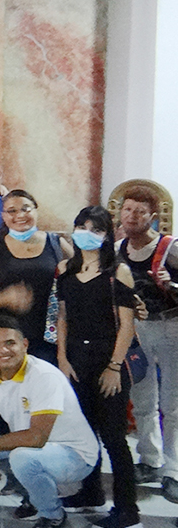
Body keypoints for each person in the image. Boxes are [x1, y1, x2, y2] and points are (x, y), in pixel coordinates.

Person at [0, 316, 99, 528]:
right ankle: (33, 493)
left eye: (10, 343)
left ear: (24, 344)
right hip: (27, 448)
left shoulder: (44, 375)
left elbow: (37, 438)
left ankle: (53, 515)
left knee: (23, 458)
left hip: (75, 454)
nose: (4, 350)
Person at [54, 207, 139, 524]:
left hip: (108, 358)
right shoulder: (65, 269)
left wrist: (114, 366)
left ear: (106, 234)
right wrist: (62, 358)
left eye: (95, 228)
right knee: (84, 431)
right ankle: (91, 492)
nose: (86, 233)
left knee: (114, 436)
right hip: (76, 358)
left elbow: (126, 326)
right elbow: (62, 317)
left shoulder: (118, 271)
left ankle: (127, 508)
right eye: (80, 226)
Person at [117, 186, 178, 494]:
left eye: (139, 212)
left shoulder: (170, 248)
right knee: (142, 400)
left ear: (153, 217)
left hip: (170, 328)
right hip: (135, 332)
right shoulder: (117, 249)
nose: (132, 216)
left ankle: (174, 470)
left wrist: (174, 284)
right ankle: (149, 458)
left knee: (173, 403)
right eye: (127, 210)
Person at [0, 190, 71, 362]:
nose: (20, 215)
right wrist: (3, 299)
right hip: (10, 335)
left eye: (26, 209)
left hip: (50, 332)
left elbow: (83, 271)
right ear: (3, 216)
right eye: (12, 211)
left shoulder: (56, 243)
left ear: (36, 210)